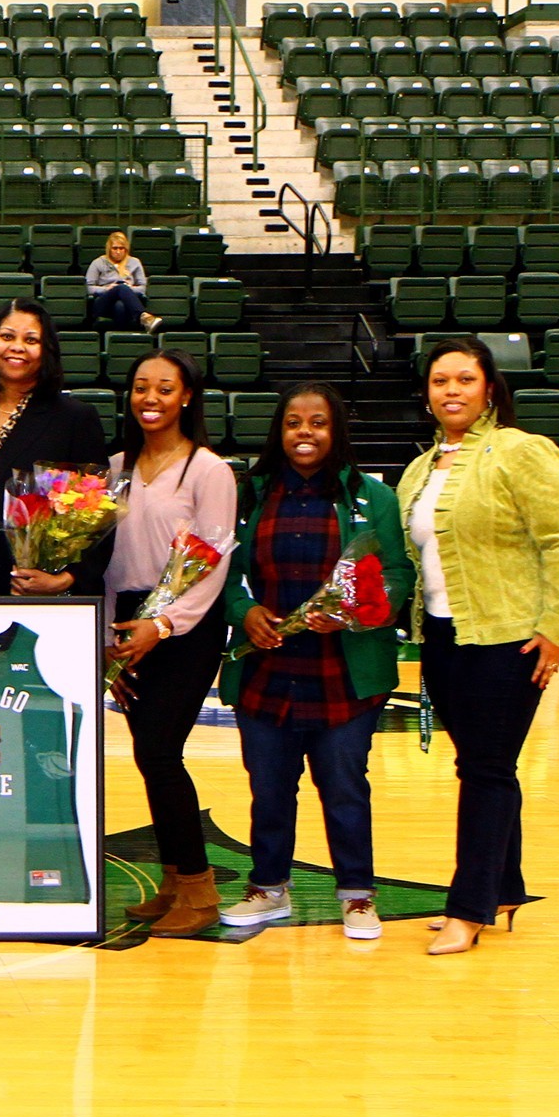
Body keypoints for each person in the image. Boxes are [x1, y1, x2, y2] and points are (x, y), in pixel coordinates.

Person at [399, 336, 559, 956]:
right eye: (439, 381)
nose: (450, 391)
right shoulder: (420, 468)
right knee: (482, 764)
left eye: (464, 380)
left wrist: (557, 629)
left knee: (486, 768)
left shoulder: (520, 452)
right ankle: (502, 886)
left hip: (509, 639)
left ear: (489, 389)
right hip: (444, 635)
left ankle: (468, 908)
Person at [217, 382, 414, 941]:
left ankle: (357, 894)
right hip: (267, 665)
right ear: (279, 432)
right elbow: (223, 572)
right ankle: (269, 887)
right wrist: (245, 610)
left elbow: (398, 574)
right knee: (269, 786)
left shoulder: (372, 497)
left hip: (344, 673)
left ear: (337, 430)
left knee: (345, 784)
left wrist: (356, 611)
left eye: (318, 422)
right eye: (294, 423)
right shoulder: (250, 494)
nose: (305, 433)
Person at [103, 348, 236, 937]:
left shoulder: (210, 471)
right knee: (147, 756)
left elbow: (211, 564)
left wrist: (164, 625)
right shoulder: (114, 468)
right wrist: (109, 628)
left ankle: (201, 891)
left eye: (164, 388)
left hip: (184, 629)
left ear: (187, 397)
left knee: (160, 752)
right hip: (127, 624)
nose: (150, 398)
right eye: (140, 387)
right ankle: (174, 880)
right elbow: (103, 558)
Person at [0, 298, 113, 597]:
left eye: (31, 340)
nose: (17, 347)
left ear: (46, 350)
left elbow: (98, 515)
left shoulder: (74, 418)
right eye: (7, 336)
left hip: (29, 587)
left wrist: (68, 578)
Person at [85, 231, 161, 333]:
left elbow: (142, 288)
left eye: (121, 248)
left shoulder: (135, 262)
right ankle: (144, 317)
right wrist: (106, 289)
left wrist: (130, 288)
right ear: (109, 249)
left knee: (120, 304)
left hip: (127, 304)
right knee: (120, 287)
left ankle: (119, 338)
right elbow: (88, 287)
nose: (118, 251)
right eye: (115, 248)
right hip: (103, 303)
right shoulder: (98, 262)